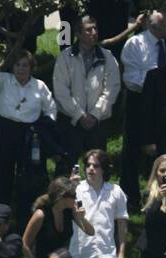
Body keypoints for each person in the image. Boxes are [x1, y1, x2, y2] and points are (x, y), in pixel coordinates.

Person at [0, 44, 57, 216]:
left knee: (28, 175)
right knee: (2, 173)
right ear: (13, 67)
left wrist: (44, 126)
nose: (21, 69)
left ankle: (27, 213)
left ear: (31, 68)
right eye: (18, 65)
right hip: (6, 131)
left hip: (30, 134)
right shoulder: (4, 80)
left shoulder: (40, 86)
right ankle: (0, 214)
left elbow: (51, 109)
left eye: (25, 65)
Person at [51, 15, 120, 172]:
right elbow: (61, 91)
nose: (94, 33)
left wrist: (95, 115)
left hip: (98, 123)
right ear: (78, 34)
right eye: (89, 30)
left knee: (99, 168)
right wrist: (80, 115)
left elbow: (111, 89)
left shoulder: (107, 57)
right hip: (70, 122)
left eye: (95, 29)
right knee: (65, 168)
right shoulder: (65, 57)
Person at [118, 9, 166, 207]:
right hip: (139, 101)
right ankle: (129, 198)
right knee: (132, 151)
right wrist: (155, 85)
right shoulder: (136, 44)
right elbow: (130, 78)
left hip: (162, 104)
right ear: (153, 25)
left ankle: (157, 197)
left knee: (159, 149)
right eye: (165, 25)